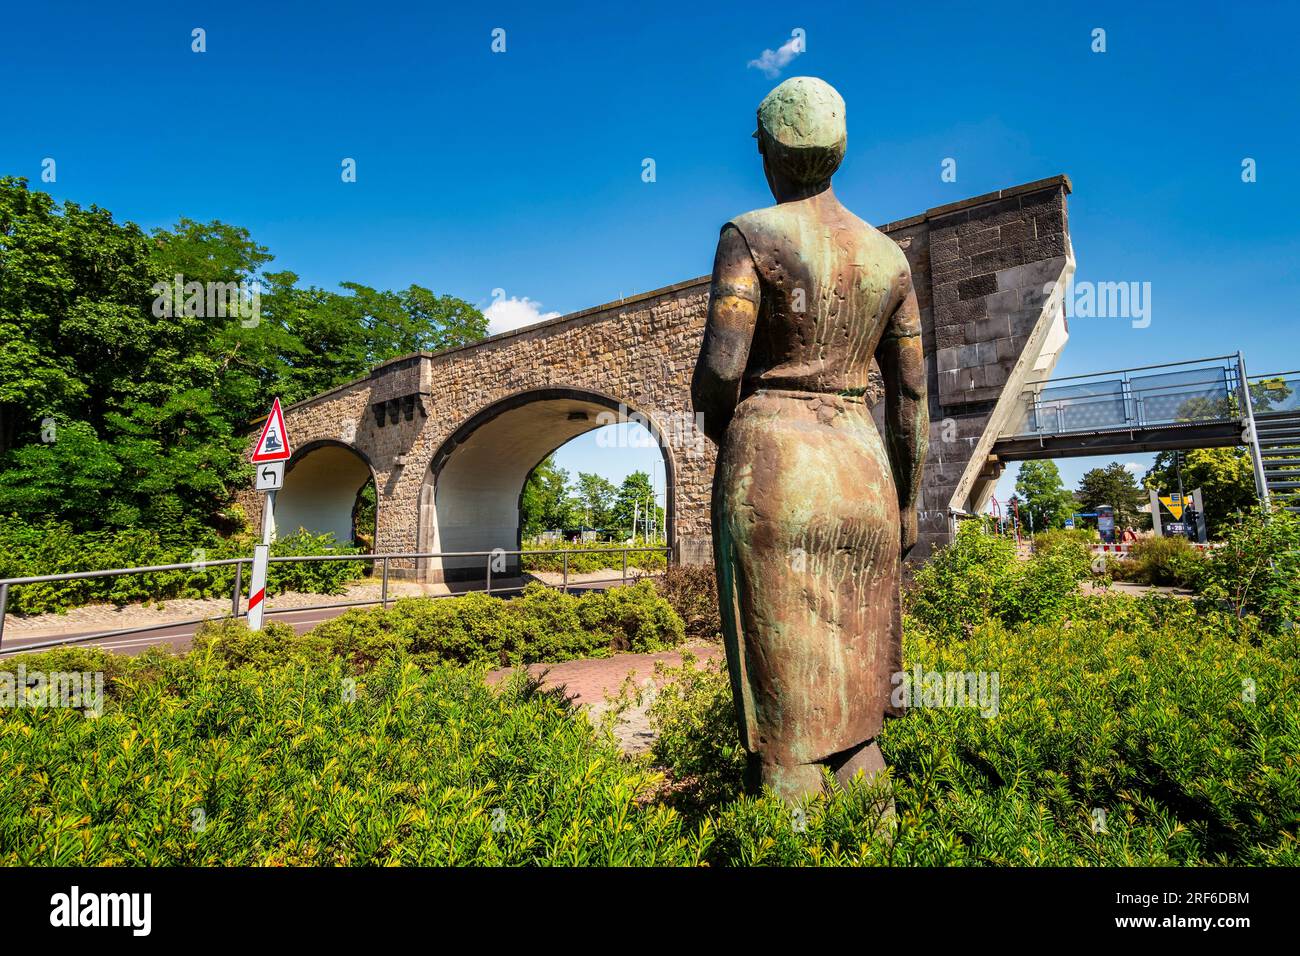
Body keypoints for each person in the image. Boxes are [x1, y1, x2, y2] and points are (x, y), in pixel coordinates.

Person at [691, 77, 928, 801]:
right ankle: (875, 828)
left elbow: (721, 367)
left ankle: (787, 835)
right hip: (864, 473)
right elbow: (912, 398)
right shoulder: (890, 258)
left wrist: (718, 422)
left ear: (768, 147)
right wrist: (909, 503)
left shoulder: (749, 236)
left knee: (787, 717)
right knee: (859, 709)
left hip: (775, 464)